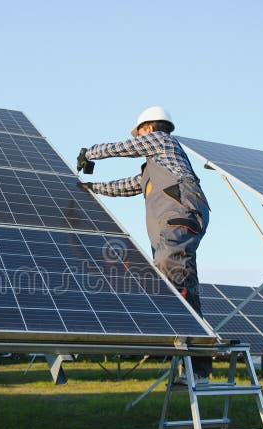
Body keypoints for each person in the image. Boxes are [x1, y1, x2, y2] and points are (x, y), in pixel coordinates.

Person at [76, 106, 212, 383]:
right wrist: (93, 188)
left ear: (148, 128)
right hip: (172, 226)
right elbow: (127, 186)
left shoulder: (162, 140)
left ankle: (198, 367)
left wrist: (89, 152)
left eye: (139, 133)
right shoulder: (157, 166)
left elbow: (122, 148)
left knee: (173, 275)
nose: (139, 138)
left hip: (180, 216)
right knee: (179, 281)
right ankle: (197, 366)